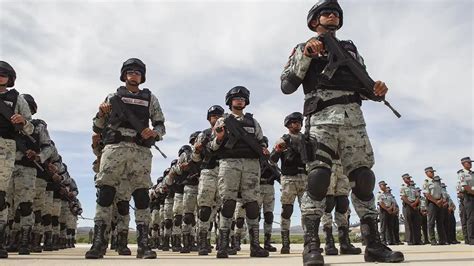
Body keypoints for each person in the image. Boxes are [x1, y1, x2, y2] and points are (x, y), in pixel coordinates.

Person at [280, 1, 403, 264]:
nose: (332, 14)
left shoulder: (350, 50)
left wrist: (377, 90)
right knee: (318, 178)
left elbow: (364, 84)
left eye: (336, 12)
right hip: (322, 118)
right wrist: (307, 56)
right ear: (314, 21)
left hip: (353, 119)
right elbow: (287, 85)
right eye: (326, 12)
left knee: (364, 178)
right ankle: (312, 246)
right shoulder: (303, 48)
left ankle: (373, 245)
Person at [85, 58, 165, 259]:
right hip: (114, 149)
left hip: (140, 151)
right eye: (130, 71)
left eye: (138, 72)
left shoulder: (150, 99)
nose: (134, 74)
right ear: (124, 75)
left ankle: (144, 245)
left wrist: (153, 134)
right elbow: (97, 126)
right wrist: (101, 113)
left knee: (141, 196)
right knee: (106, 194)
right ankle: (98, 244)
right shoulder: (113, 97)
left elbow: (160, 126)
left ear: (142, 77)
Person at [210, 86, 269, 258]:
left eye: (243, 98)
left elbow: (261, 141)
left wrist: (264, 149)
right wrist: (220, 137)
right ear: (230, 102)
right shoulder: (223, 121)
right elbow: (212, 146)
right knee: (228, 203)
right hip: (229, 164)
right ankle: (222, 246)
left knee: (252, 205)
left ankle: (255, 246)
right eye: (236, 98)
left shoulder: (253, 122)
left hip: (251, 165)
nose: (240, 101)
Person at [0, 61, 34, 258]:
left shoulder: (17, 99)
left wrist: (22, 122)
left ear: (10, 78)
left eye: (4, 74)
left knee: (1, 196)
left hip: (5, 147)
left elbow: (30, 127)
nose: (1, 76)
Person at [270, 112, 307, 254]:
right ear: (288, 124)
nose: (297, 124)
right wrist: (278, 150)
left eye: (299, 122)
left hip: (304, 177)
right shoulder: (283, 139)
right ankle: (285, 243)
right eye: (294, 122)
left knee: (307, 211)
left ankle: (309, 241)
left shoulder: (306, 139)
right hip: (288, 179)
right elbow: (272, 160)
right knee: (287, 210)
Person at [423, 167, 447, 245]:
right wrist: (436, 201)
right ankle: (433, 240)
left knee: (440, 222)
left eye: (433, 172)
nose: (433, 173)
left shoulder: (437, 182)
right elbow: (427, 194)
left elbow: (442, 192)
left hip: (439, 202)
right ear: (426, 173)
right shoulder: (426, 182)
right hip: (431, 203)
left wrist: (442, 200)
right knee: (431, 222)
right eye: (431, 172)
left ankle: (442, 240)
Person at [400, 175, 421, 245]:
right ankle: (410, 240)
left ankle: (417, 240)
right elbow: (403, 197)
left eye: (409, 178)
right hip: (407, 206)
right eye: (407, 178)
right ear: (404, 179)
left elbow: (418, 196)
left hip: (415, 205)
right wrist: (411, 204)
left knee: (416, 223)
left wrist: (415, 203)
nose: (409, 179)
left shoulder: (413, 188)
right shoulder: (403, 187)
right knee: (408, 223)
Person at [457, 157, 474, 245]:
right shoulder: (462, 174)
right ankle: (471, 238)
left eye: (470, 162)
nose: (470, 164)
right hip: (468, 196)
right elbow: (465, 186)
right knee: (470, 218)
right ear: (463, 164)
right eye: (468, 162)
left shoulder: (472, 173)